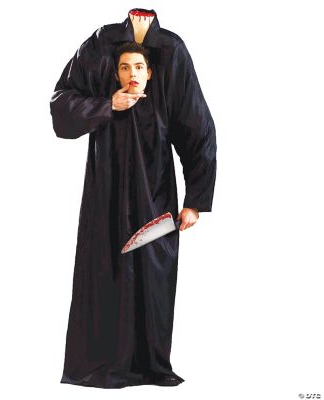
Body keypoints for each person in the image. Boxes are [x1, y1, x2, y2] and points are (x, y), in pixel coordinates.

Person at [50, 8, 217, 389]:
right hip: (105, 184)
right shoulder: (101, 43)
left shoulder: (172, 49)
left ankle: (150, 364)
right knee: (103, 265)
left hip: (155, 186)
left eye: (138, 67)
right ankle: (101, 363)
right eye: (125, 67)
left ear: (150, 71)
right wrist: (106, 105)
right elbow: (61, 104)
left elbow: (197, 125)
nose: (132, 73)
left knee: (153, 271)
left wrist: (195, 198)